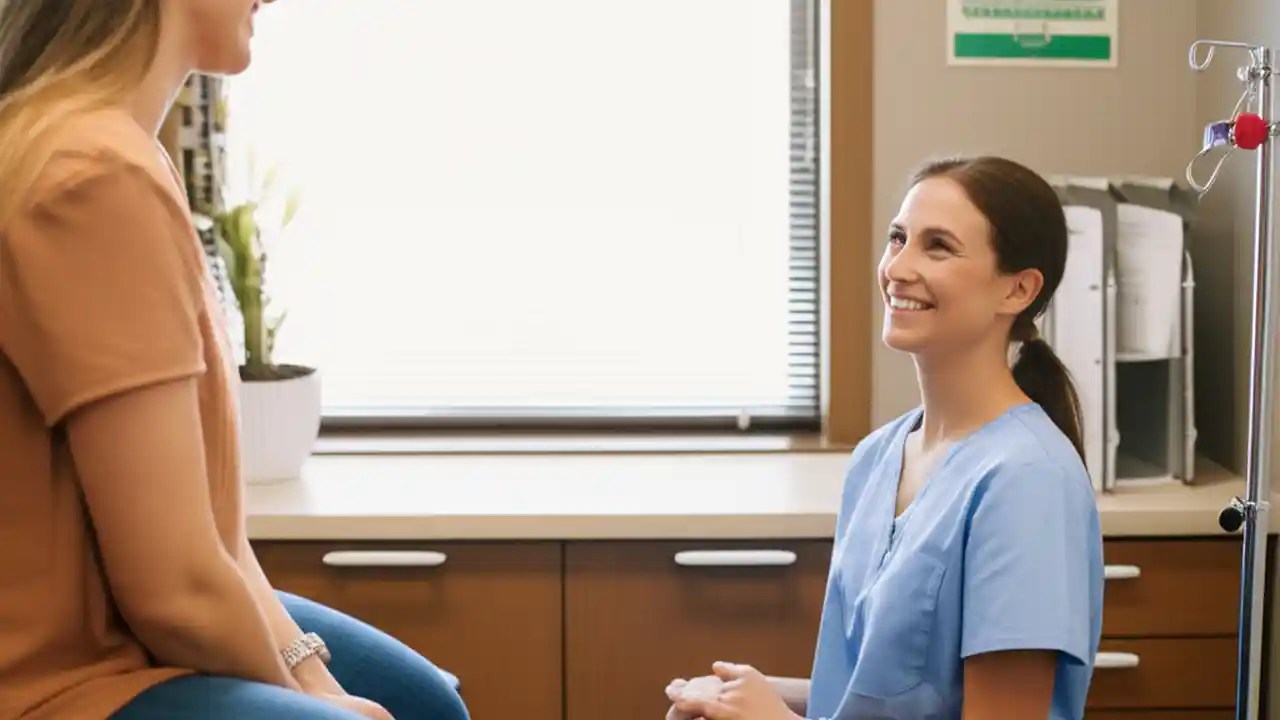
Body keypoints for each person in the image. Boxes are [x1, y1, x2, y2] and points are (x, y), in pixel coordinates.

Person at [0, 2, 469, 719]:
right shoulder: (92, 177)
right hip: (55, 686)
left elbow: (208, 543)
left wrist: (315, 680)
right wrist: (318, 702)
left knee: (420, 702)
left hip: (115, 638)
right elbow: (176, 593)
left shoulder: (116, 154)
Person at [665, 156, 1104, 720]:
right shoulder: (877, 458)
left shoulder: (1028, 481)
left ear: (1018, 290)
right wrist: (741, 695)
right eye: (898, 238)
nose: (898, 267)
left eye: (938, 246)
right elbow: (886, 694)